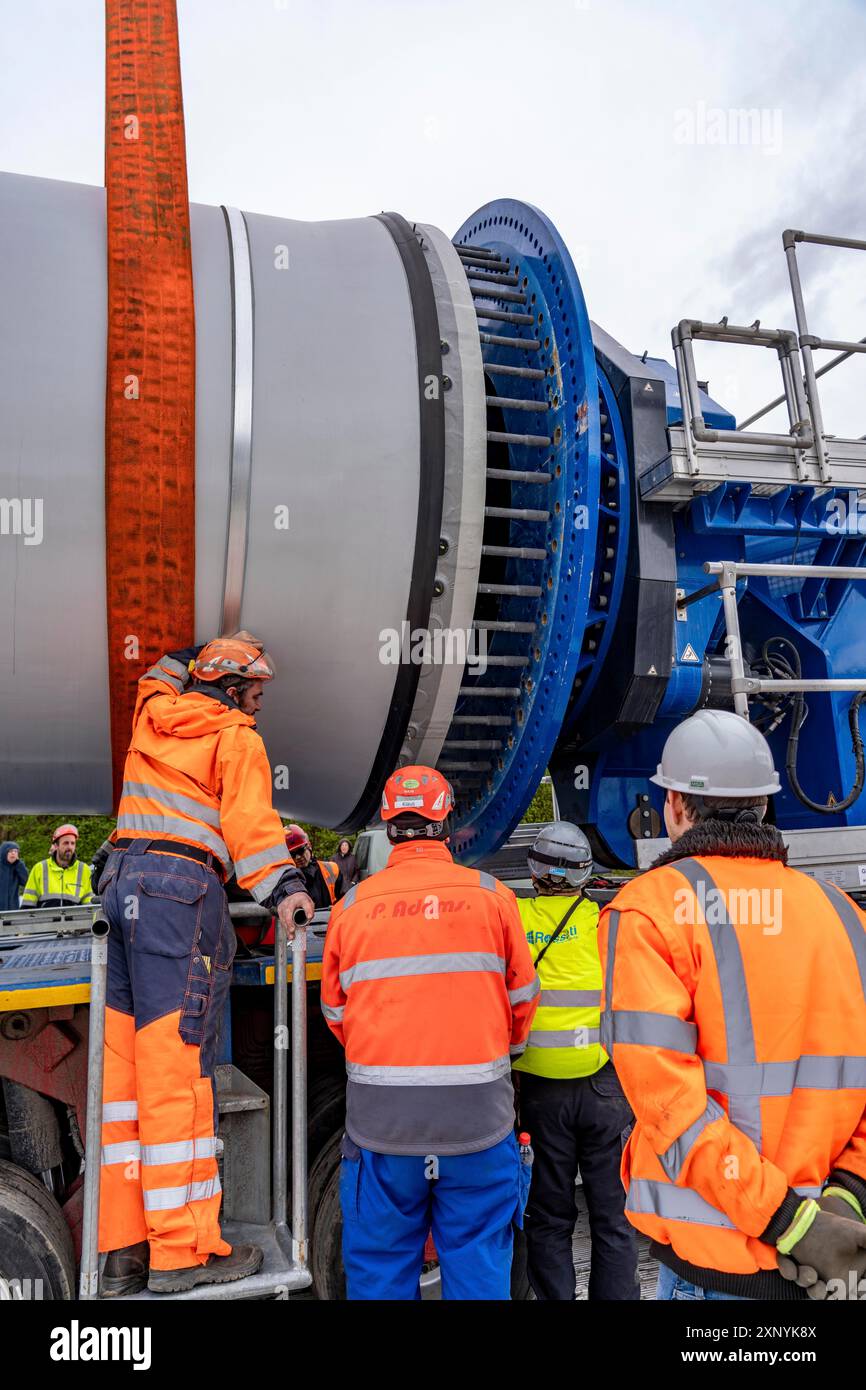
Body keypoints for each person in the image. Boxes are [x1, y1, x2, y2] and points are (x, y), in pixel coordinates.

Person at [598, 709, 866, 1301]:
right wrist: (845, 1200)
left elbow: (671, 1107)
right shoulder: (845, 915)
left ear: (673, 804)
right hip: (822, 1259)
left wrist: (789, 1222)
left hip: (716, 1263)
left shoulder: (649, 911)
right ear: (764, 805)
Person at [96, 632, 313, 1297]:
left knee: (124, 1081)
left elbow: (156, 675)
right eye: (255, 691)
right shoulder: (236, 738)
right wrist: (287, 888)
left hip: (122, 883)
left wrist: (199, 650)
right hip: (179, 896)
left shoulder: (153, 715)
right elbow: (251, 828)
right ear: (232, 690)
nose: (259, 704)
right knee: (177, 1078)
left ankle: (123, 1252)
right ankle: (183, 1251)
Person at [321, 765, 539, 1300]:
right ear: (447, 821)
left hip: (382, 1129)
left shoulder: (350, 910)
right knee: (480, 1269)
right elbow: (522, 1002)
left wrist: (388, 1056)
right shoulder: (493, 897)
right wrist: (497, 1055)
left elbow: (336, 1013)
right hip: (479, 1123)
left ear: (388, 826)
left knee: (379, 1273)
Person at [514, 822, 639, 1300]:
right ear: (586, 875)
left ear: (533, 870)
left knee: (548, 1216)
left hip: (541, 1091)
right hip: (604, 1085)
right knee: (613, 1216)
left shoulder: (515, 918)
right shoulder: (606, 922)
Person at [21, 825, 93, 907]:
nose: (70, 847)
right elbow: (27, 906)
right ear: (56, 845)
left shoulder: (84, 870)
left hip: (76, 916)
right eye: (66, 843)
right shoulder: (39, 868)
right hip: (46, 916)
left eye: (72, 843)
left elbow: (89, 907)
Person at [284, 823, 346, 907]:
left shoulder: (331, 869)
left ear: (309, 846)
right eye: (292, 854)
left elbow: (345, 900)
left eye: (300, 850)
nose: (298, 857)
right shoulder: (286, 880)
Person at [0, 842, 28, 911]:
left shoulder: (18, 867)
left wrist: (19, 864)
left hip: (12, 909)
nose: (13, 853)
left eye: (16, 851)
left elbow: (26, 882)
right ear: (4, 853)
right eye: (10, 851)